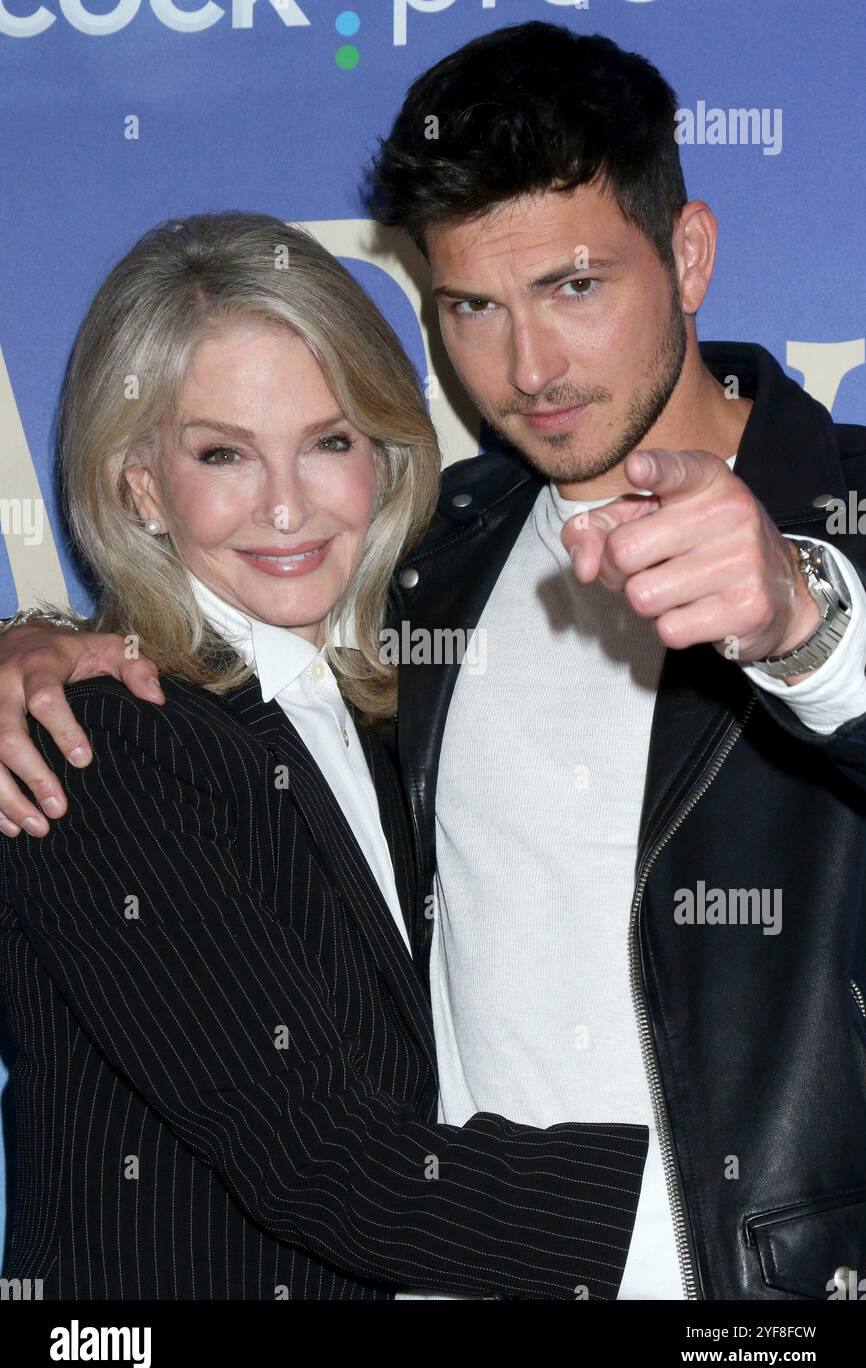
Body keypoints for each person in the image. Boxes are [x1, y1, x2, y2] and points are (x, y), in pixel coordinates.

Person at [2, 25, 866, 1300]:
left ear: (687, 256)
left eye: (574, 287)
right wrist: (32, 641)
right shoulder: (432, 568)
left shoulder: (843, 519)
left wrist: (808, 623)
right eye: (473, 306)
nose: (528, 369)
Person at [0, 209, 650, 1301]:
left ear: (386, 451)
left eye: (329, 440)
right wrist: (702, 1222)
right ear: (139, 485)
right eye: (223, 454)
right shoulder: (98, 738)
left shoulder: (394, 714)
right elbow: (312, 1152)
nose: (289, 505)